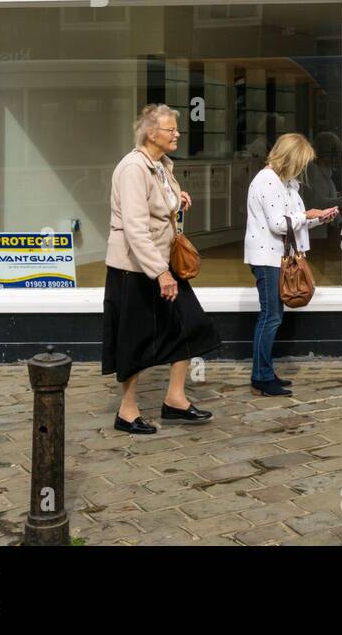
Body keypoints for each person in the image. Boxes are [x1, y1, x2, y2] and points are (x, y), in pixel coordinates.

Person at [103, 104, 221, 435]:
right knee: (134, 338)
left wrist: (176, 199)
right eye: (171, 130)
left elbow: (157, 204)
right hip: (136, 269)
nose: (177, 135)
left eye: (176, 129)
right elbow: (135, 229)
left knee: (190, 325)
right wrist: (161, 274)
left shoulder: (160, 165)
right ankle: (127, 412)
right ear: (151, 134)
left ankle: (175, 400)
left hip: (162, 262)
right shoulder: (132, 169)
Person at [245, 133, 338, 397]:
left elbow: (291, 222)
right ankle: (261, 376)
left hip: (276, 257)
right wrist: (306, 215)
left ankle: (264, 373)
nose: (303, 168)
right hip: (267, 258)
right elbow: (278, 224)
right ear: (291, 158)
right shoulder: (268, 181)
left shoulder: (285, 183)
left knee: (272, 317)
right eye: (301, 162)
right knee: (270, 317)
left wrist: (319, 218)